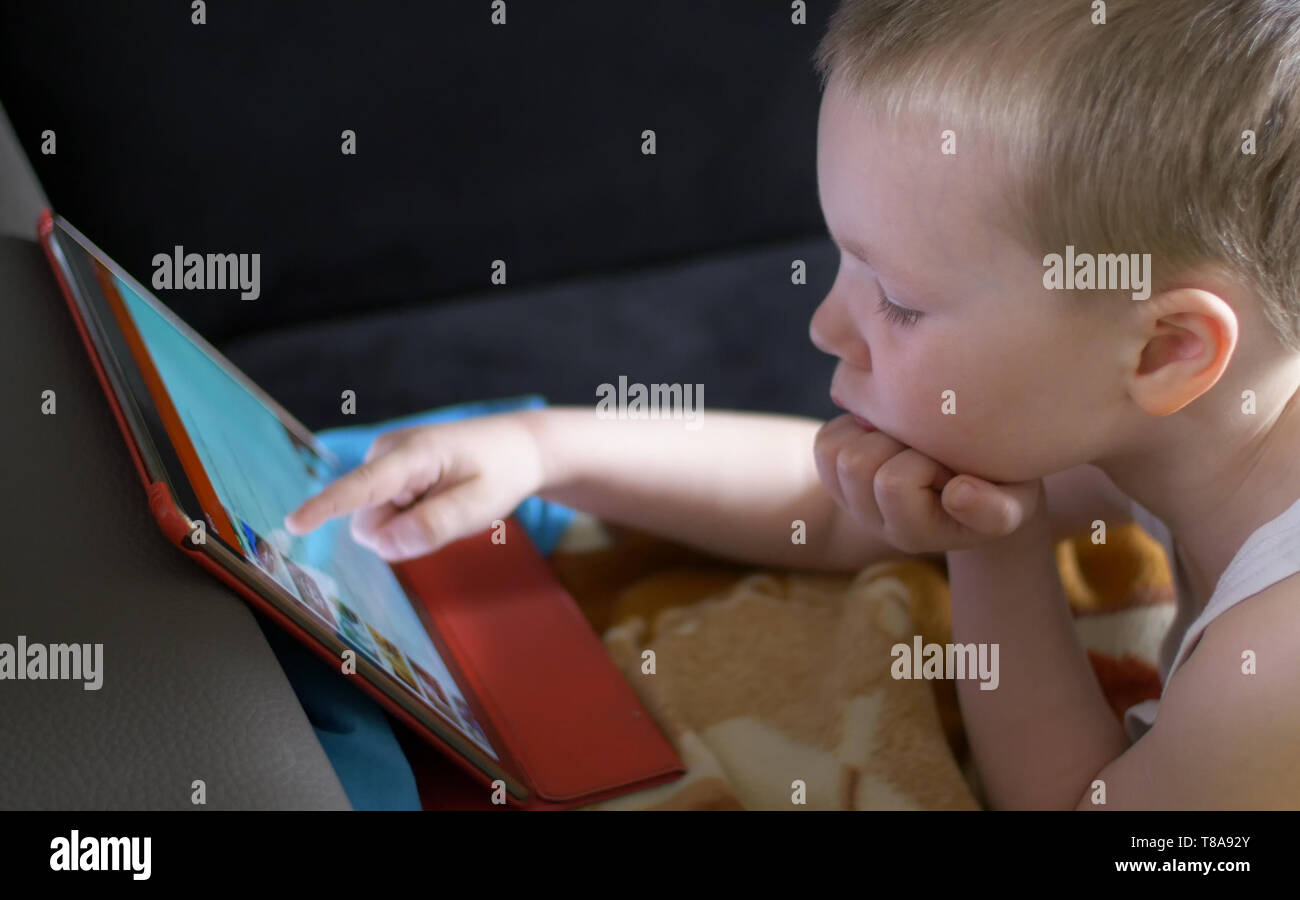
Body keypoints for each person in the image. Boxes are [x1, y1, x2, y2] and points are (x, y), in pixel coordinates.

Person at [286, 0, 1300, 809]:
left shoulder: (1273, 674)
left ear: (1168, 350)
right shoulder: (1189, 410)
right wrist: (541, 447)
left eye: (898, 301)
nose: (826, 326)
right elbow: (843, 507)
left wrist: (995, 555)